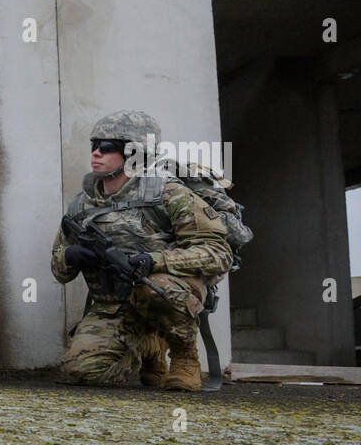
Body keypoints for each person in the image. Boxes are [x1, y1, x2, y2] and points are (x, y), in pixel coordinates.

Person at [51, 110, 233, 391]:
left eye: (107, 147)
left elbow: (218, 253)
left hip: (161, 292)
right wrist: (70, 257)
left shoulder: (169, 194)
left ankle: (185, 357)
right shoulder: (81, 205)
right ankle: (150, 345)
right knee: (82, 372)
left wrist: (154, 260)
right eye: (94, 146)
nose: (96, 153)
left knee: (156, 288)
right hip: (114, 307)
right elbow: (59, 271)